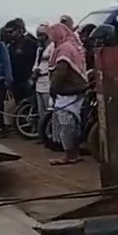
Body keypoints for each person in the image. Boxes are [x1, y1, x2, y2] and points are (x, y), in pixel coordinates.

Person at [45, 23, 89, 165]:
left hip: (68, 92)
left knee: (66, 125)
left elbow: (61, 72)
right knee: (73, 123)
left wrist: (53, 89)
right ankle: (74, 153)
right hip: (77, 90)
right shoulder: (72, 44)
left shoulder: (64, 48)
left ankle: (69, 155)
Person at [6, 19, 39, 105]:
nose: (9, 34)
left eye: (11, 32)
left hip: (27, 80)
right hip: (16, 81)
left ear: (19, 30)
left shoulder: (30, 42)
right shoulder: (10, 45)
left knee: (28, 105)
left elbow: (35, 60)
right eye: (7, 32)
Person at [32, 24, 54, 127]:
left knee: (48, 110)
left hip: (47, 81)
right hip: (38, 83)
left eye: (41, 35)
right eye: (38, 35)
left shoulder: (52, 48)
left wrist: (39, 70)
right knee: (41, 111)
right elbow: (36, 63)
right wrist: (35, 70)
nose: (39, 38)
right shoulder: (39, 49)